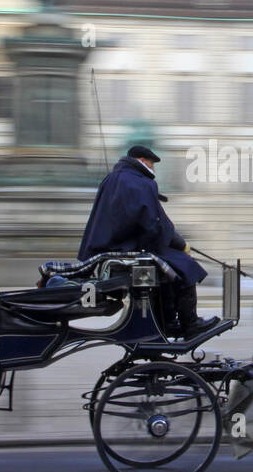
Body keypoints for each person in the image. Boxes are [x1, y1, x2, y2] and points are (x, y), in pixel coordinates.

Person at [79, 145, 218, 339]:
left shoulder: (112, 179)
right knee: (185, 265)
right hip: (125, 248)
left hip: (105, 247)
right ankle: (190, 324)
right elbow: (153, 223)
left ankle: (169, 321)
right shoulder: (141, 182)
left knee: (170, 266)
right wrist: (178, 244)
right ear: (143, 161)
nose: (153, 169)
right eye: (152, 165)